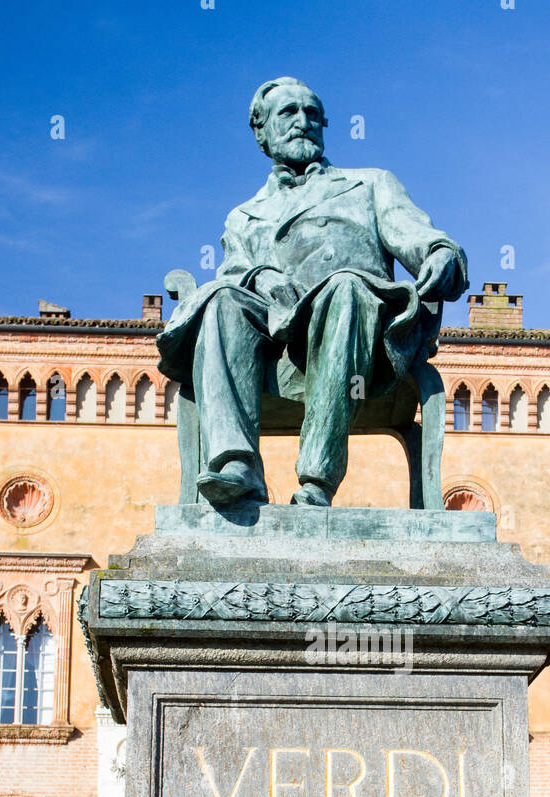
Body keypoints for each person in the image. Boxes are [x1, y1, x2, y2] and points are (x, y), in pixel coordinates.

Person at [157, 77, 468, 507]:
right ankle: (236, 465)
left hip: (364, 342)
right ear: (261, 133)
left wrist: (440, 254)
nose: (303, 122)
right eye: (288, 113)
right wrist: (259, 277)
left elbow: (422, 237)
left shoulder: (369, 184)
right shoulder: (245, 216)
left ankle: (317, 480)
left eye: (313, 114)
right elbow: (234, 274)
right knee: (221, 300)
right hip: (279, 348)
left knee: (346, 286)